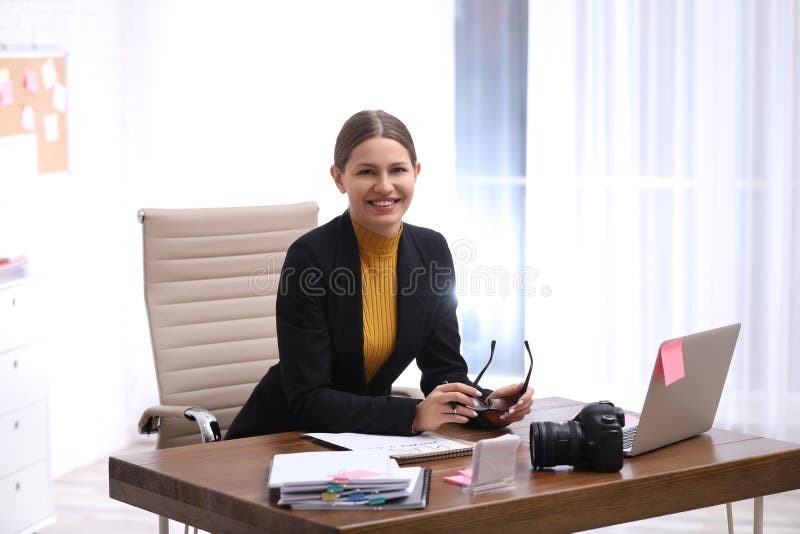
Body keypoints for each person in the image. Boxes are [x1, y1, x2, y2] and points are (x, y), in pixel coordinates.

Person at [226, 110, 533, 439]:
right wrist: (412, 415)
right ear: (339, 178)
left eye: (398, 170)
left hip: (364, 440)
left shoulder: (432, 250)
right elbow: (308, 400)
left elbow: (443, 372)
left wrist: (487, 406)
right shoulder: (310, 257)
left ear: (415, 173)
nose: (384, 186)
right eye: (366, 172)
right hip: (279, 438)